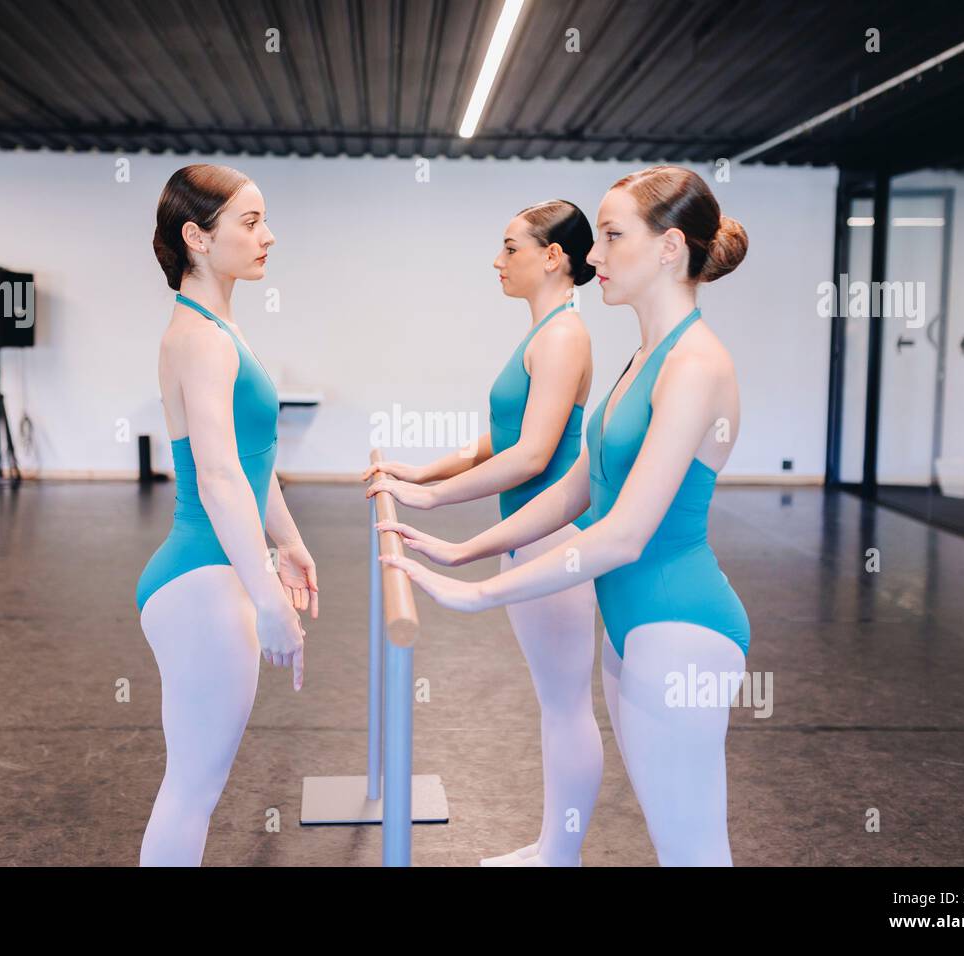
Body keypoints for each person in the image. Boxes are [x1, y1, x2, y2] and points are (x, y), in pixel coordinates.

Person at [380, 165, 751, 865]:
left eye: (612, 236)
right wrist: (460, 548)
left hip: (683, 630)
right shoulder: (645, 358)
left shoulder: (698, 365)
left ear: (669, 248)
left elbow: (625, 531)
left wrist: (483, 592)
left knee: (692, 851)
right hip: (634, 626)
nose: (595, 257)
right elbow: (578, 491)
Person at [364, 200, 600, 867]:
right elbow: (496, 441)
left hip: (553, 537)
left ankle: (562, 854)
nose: (498, 262)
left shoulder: (562, 335)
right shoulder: (542, 332)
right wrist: (418, 471)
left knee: (565, 706)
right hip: (528, 534)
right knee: (554, 706)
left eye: (511, 248)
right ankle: (553, 847)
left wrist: (429, 498)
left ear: (553, 256)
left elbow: (531, 457)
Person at [135, 164, 317, 866]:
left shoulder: (212, 327)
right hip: (204, 581)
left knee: (194, 786)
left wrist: (289, 543)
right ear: (197, 237)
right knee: (192, 790)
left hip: (203, 573)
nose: (267, 236)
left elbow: (247, 463)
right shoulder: (202, 338)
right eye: (250, 222)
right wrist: (269, 600)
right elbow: (215, 477)